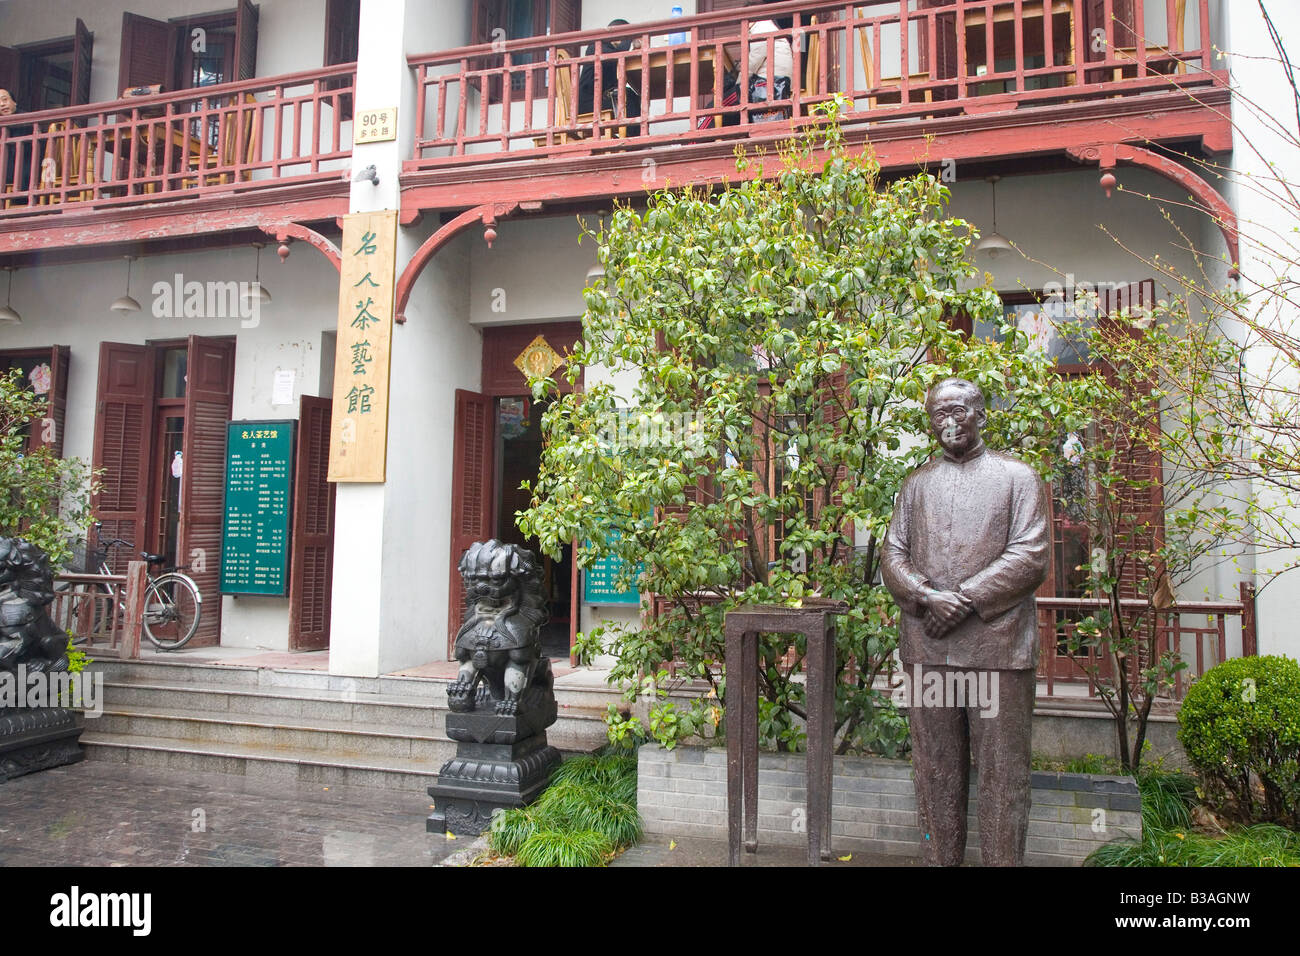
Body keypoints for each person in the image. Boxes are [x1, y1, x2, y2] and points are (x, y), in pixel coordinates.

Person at [881, 377, 1050, 866]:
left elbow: (1031, 556)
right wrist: (925, 595)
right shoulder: (916, 485)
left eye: (958, 411)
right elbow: (893, 555)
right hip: (928, 650)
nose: (948, 422)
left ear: (981, 415)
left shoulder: (1019, 478)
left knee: (1003, 774)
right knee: (934, 771)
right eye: (938, 414)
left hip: (998, 650)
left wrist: (965, 598)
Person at [576, 19, 641, 136]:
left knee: (632, 95)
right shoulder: (596, 46)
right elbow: (615, 56)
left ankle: (639, 137)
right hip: (587, 103)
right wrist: (631, 40)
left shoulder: (611, 50)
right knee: (628, 99)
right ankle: (631, 142)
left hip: (601, 100)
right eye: (625, 37)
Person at [746, 0, 793, 120]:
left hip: (771, 82)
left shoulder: (761, 27)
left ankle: (701, 133)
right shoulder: (769, 26)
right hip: (781, 82)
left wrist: (737, 80)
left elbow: (752, 63)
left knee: (726, 99)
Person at [0, 89, 34, 200]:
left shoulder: (25, 119)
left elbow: (18, 151)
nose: (2, 104)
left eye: (5, 99)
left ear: (14, 102)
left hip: (26, 166)